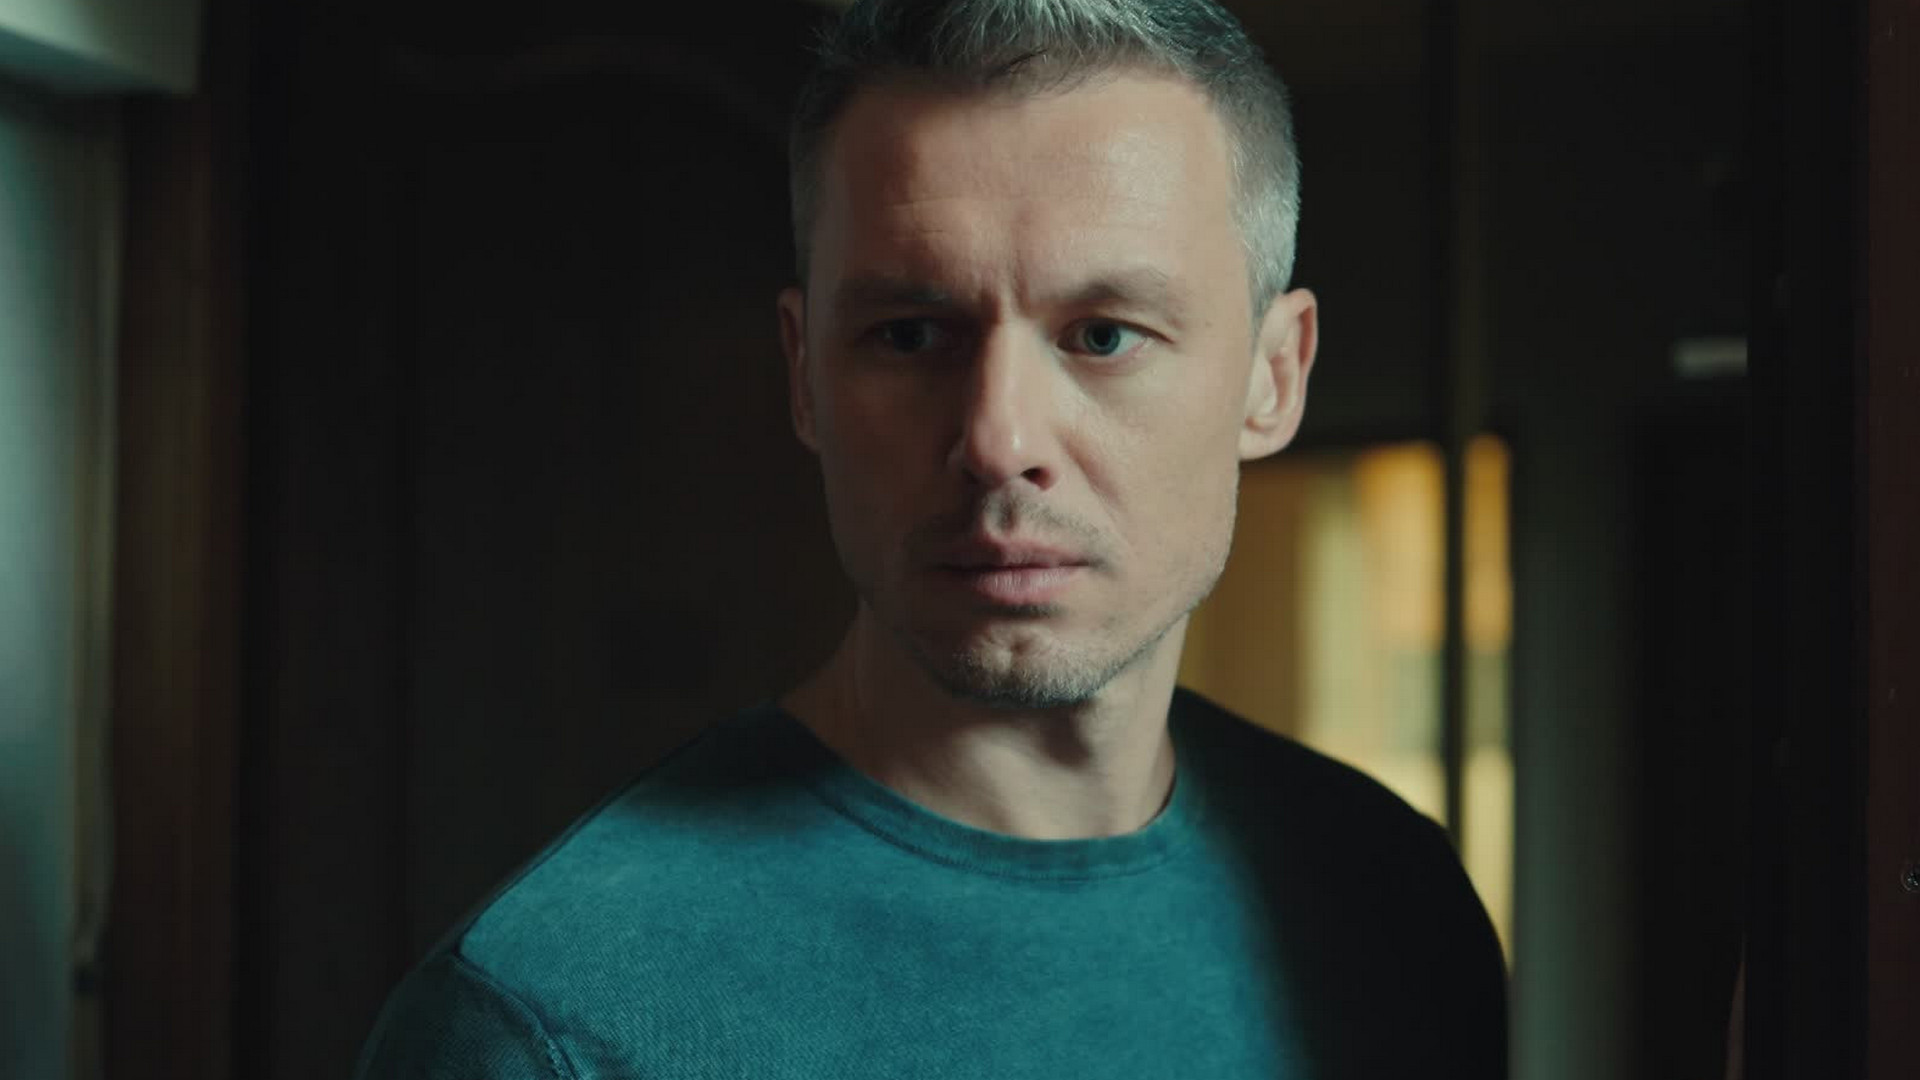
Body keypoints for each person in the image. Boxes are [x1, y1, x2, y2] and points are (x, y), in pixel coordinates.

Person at [353, 0, 1508, 1076]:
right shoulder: (545, 1022)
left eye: (1104, 335)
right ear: (803, 375)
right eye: (910, 334)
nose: (1000, 440)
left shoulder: (1392, 901)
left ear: (1274, 376)